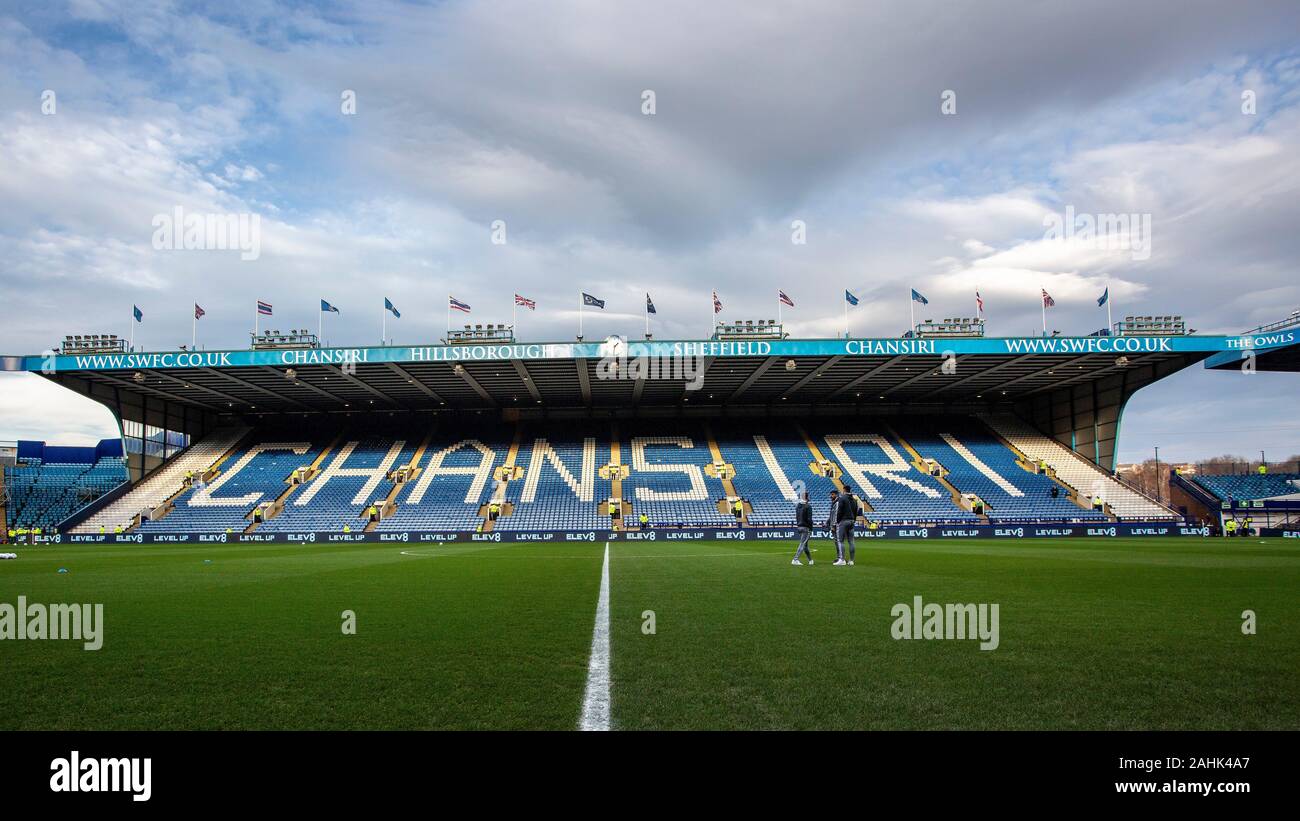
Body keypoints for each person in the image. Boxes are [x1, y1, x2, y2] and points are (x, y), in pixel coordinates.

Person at [834, 486, 858, 567]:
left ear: (844, 490)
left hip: (844, 521)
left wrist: (837, 521)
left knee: (840, 541)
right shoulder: (854, 500)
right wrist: (853, 520)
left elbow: (839, 510)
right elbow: (855, 512)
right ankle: (851, 560)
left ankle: (842, 559)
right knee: (851, 541)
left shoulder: (842, 498)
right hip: (851, 521)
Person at [791, 491, 814, 566]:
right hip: (806, 527)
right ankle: (795, 559)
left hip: (799, 526)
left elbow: (797, 516)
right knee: (802, 544)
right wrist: (811, 527)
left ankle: (810, 560)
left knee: (805, 545)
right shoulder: (808, 506)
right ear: (807, 497)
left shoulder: (798, 505)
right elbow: (809, 519)